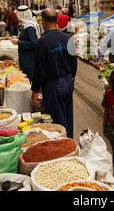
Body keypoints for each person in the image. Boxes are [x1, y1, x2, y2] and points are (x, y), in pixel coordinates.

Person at [31, 8, 77, 138]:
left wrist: (35, 91)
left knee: (56, 120)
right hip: (68, 82)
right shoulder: (67, 38)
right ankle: (70, 141)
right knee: (68, 114)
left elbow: (39, 69)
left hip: (53, 85)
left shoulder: (42, 42)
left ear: (43, 22)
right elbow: (74, 63)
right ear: (57, 21)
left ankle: (62, 146)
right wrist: (70, 79)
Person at [11, 5, 40, 81]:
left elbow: (34, 43)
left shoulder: (29, 26)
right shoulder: (26, 24)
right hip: (26, 57)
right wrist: (18, 38)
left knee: (29, 79)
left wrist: (18, 42)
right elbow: (27, 38)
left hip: (29, 59)